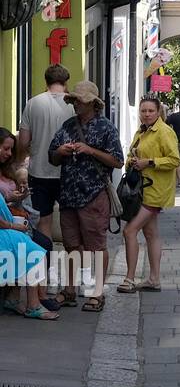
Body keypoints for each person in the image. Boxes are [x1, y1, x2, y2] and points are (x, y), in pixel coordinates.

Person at [48, 81, 124, 313]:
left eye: (80, 101)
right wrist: (60, 152)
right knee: (71, 245)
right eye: (74, 101)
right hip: (69, 195)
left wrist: (90, 150)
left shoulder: (106, 128)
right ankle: (70, 290)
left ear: (92, 103)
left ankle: (97, 293)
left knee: (97, 246)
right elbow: (52, 156)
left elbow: (118, 160)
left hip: (93, 194)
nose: (76, 105)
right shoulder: (68, 125)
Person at [117, 96, 180, 294]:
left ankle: (129, 278)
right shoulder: (141, 131)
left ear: (158, 111)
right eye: (143, 111)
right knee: (151, 233)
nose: (146, 114)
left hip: (155, 191)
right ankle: (154, 279)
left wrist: (150, 162)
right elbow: (132, 154)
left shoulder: (164, 132)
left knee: (129, 231)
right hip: (141, 189)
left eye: (150, 111)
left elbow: (174, 160)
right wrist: (132, 161)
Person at [17, 64, 74, 273]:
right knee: (70, 226)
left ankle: (45, 276)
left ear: (46, 81)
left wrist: (27, 155)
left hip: (39, 171)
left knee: (44, 222)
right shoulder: (73, 104)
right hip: (68, 173)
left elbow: (23, 142)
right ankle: (71, 281)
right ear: (65, 81)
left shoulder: (33, 103)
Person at [0, 128, 58, 313]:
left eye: (11, 150)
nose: (9, 154)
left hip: (12, 219)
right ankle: (34, 303)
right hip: (6, 225)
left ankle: (25, 296)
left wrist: (18, 198)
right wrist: (13, 226)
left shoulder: (7, 170)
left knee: (43, 243)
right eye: (6, 149)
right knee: (33, 248)